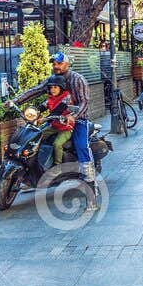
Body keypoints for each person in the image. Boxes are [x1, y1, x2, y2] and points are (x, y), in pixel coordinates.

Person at [49, 50, 96, 186]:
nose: (56, 66)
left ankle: (90, 178)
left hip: (78, 119)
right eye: (54, 63)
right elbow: (37, 90)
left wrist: (74, 116)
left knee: (81, 145)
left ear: (67, 64)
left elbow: (84, 102)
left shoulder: (78, 79)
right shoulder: (53, 79)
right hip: (57, 118)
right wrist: (15, 101)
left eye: (59, 63)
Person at [37, 75, 77, 171]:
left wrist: (44, 119)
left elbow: (57, 111)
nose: (53, 90)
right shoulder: (51, 98)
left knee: (57, 144)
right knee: (38, 136)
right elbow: (42, 107)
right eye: (51, 87)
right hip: (55, 126)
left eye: (55, 87)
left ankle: (57, 166)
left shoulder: (66, 97)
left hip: (66, 127)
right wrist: (34, 112)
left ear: (61, 87)